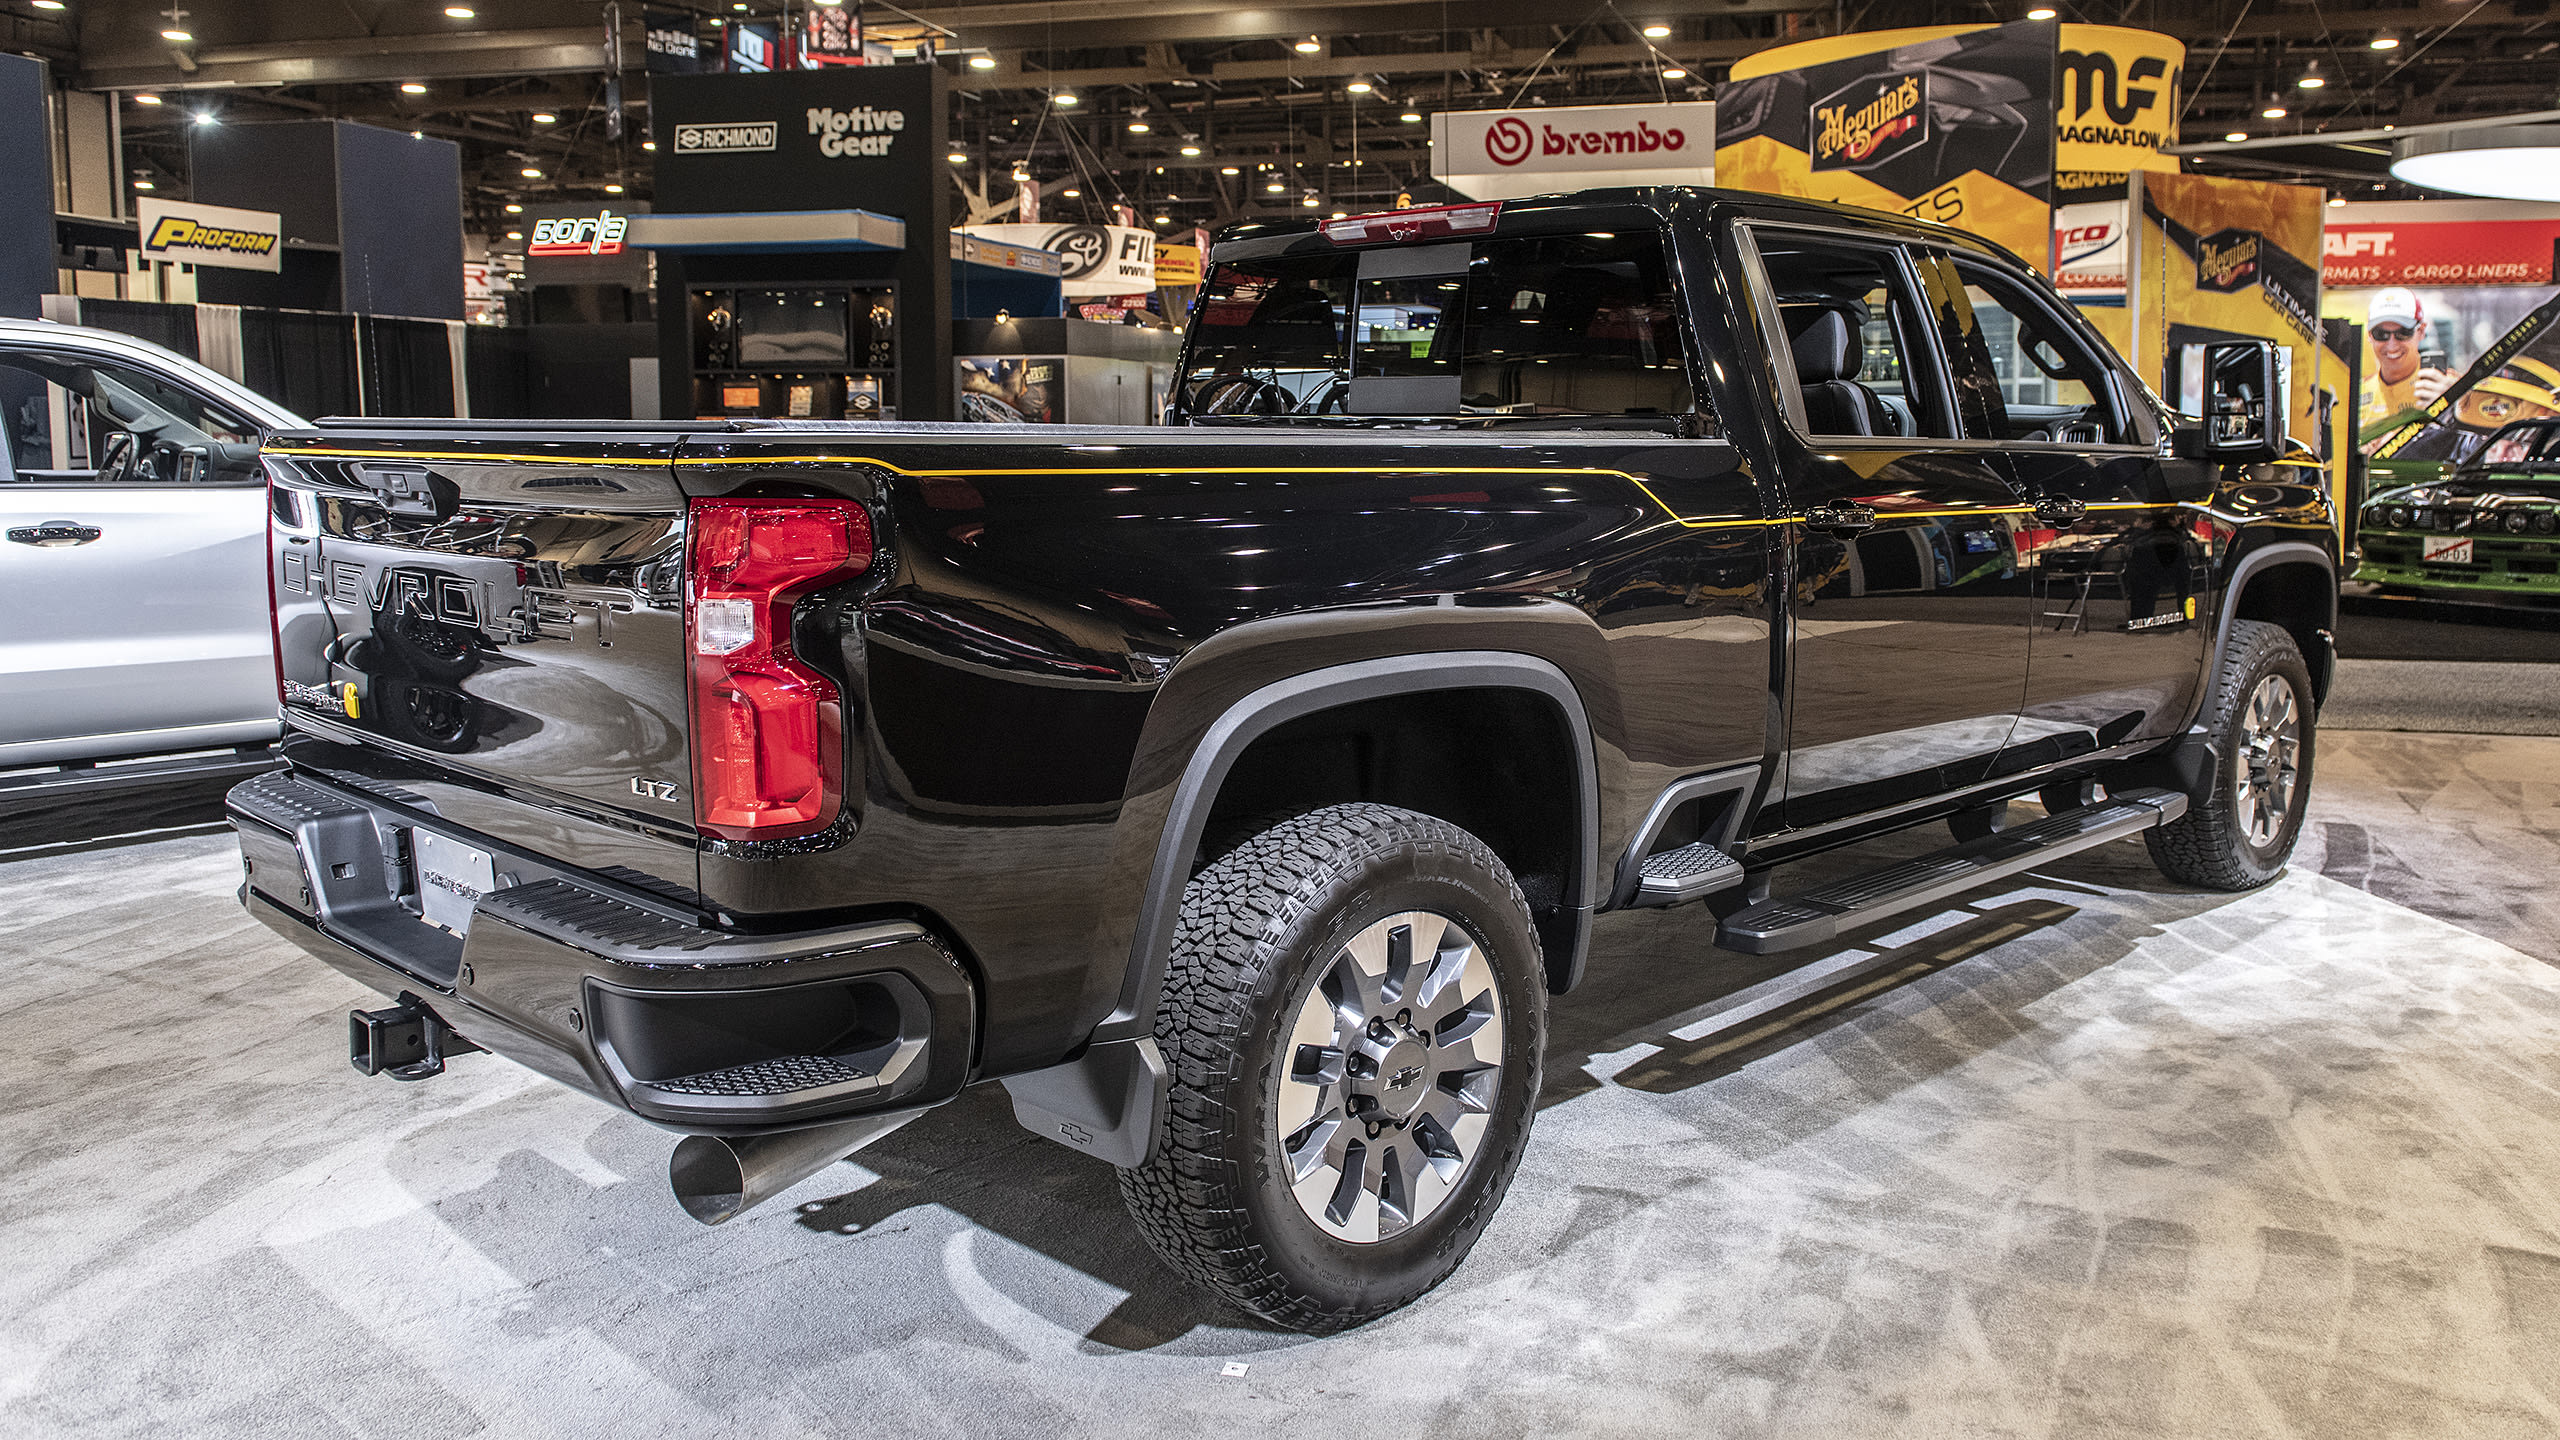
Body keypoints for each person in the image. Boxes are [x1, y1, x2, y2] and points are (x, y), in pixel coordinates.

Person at [2362, 288, 2450, 425]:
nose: (2392, 345)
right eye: (2381, 334)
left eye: (2403, 333)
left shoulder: (2447, 385)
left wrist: (2451, 406)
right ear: (2369, 336)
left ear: (2421, 331)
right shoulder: (2356, 393)